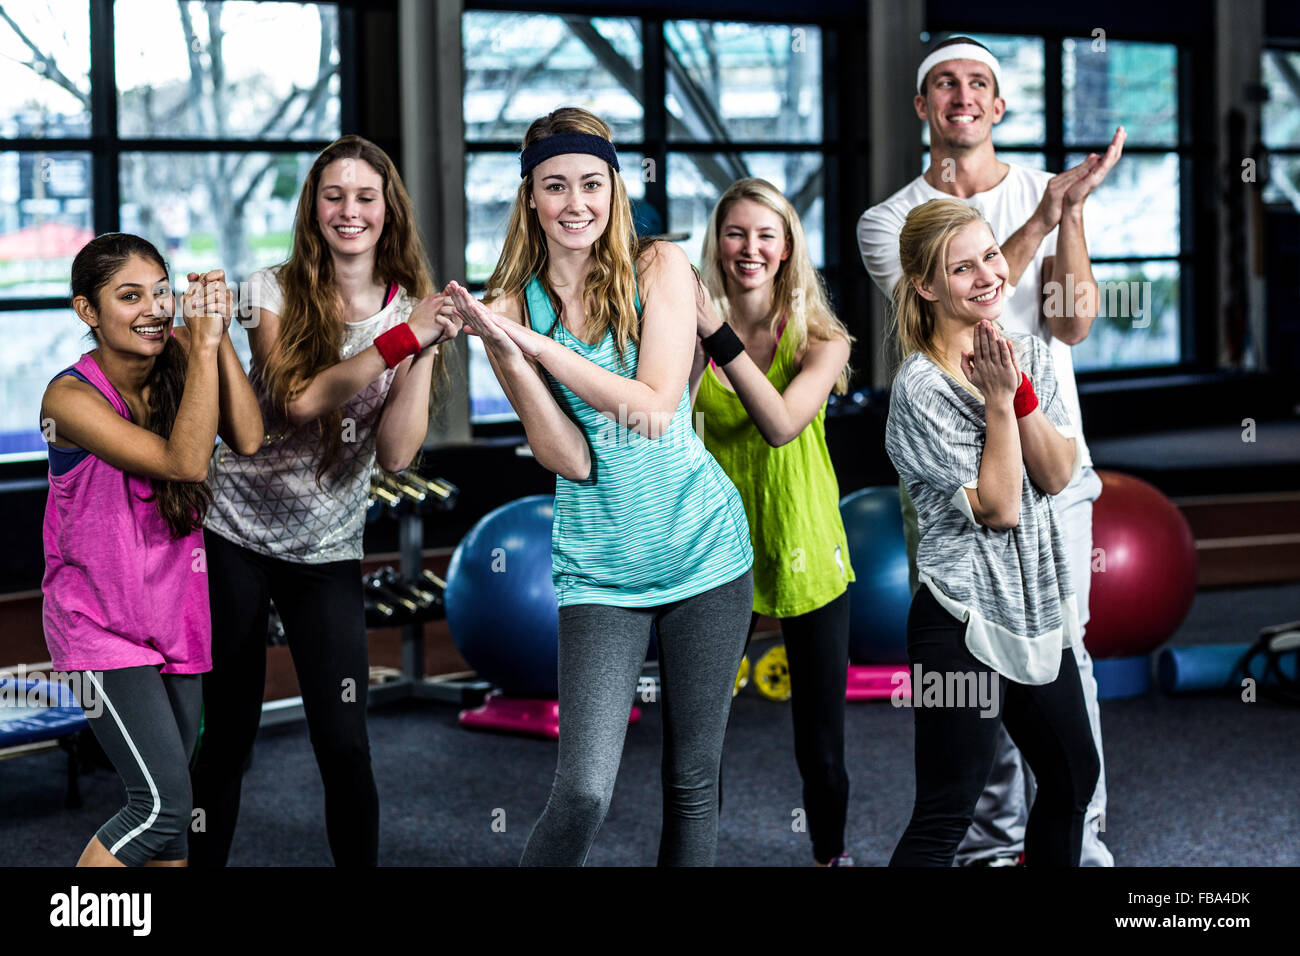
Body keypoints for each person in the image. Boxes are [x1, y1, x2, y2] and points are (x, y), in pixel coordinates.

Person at [442, 107, 754, 867]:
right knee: (583, 790)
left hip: (704, 551)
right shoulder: (514, 304)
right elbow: (569, 458)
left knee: (691, 779)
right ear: (530, 199)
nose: (575, 203)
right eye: (555, 186)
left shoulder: (663, 267)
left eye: (591, 183)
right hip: (601, 565)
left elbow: (651, 409)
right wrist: (509, 351)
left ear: (614, 189)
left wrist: (535, 346)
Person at [857, 35, 1123, 866]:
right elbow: (999, 501)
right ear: (921, 106)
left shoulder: (1028, 326)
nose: (962, 95)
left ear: (1000, 105)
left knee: (1069, 751)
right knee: (954, 796)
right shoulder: (890, 227)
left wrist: (1066, 211)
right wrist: (1039, 219)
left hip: (1043, 549)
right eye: (943, 82)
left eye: (979, 82)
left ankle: (1079, 854)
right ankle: (984, 854)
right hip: (964, 585)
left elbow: (1071, 321)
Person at [190, 135, 458, 867]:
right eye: (333, 195)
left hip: (327, 547)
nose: (349, 210)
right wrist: (407, 338)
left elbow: (398, 454)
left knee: (344, 742)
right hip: (234, 531)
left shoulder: (410, 312)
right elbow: (299, 399)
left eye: (365, 196)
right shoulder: (267, 290)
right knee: (230, 735)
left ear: (387, 209)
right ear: (312, 207)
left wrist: (426, 345)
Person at [884, 198, 1099, 866]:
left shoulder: (1027, 349)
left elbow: (1058, 473)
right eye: (961, 267)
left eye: (990, 257)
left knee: (1071, 778)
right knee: (948, 811)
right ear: (926, 286)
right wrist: (1002, 404)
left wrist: (1020, 391)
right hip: (960, 617)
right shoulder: (921, 387)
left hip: (1036, 607)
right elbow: (1001, 507)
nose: (986, 276)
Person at [41, 233, 263, 866]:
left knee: (171, 815)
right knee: (160, 806)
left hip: (175, 619)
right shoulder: (70, 399)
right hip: (97, 629)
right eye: (129, 295)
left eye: (161, 291)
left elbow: (247, 436)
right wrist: (204, 349)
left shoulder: (180, 365)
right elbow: (185, 462)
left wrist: (213, 343)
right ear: (88, 311)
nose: (154, 308)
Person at [688, 178, 857, 867]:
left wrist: (713, 333)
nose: (749, 248)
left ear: (787, 248)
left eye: (766, 235)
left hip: (804, 539)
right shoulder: (685, 332)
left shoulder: (823, 339)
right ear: (717, 243)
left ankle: (830, 856)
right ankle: (694, 856)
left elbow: (784, 424)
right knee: (699, 733)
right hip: (710, 547)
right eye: (736, 233)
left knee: (818, 739)